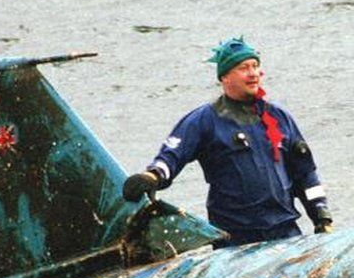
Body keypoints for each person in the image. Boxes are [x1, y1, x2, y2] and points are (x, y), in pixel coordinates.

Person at [123, 37, 332, 246]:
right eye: (243, 68)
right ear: (225, 77)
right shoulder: (204, 120)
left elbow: (305, 173)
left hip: (285, 232)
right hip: (235, 240)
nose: (253, 73)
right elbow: (172, 156)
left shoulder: (279, 117)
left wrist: (322, 217)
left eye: (255, 66)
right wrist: (152, 176)